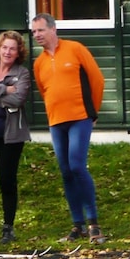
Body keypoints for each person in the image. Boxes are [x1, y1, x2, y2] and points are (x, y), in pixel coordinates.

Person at [30, 13, 107, 244]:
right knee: (65, 170)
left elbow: (97, 79)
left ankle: (94, 223)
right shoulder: (39, 62)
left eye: (40, 30)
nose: (36, 35)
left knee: (77, 165)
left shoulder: (75, 48)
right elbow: (45, 91)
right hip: (56, 121)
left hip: (80, 117)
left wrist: (92, 112)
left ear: (53, 29)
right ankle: (77, 225)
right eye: (34, 32)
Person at [0, 31, 31, 244]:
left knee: (7, 181)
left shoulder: (22, 73)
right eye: (4, 47)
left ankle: (8, 227)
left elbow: (17, 99)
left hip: (10, 136)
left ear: (18, 53)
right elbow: (9, 96)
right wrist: (3, 89)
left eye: (12, 49)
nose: (7, 52)